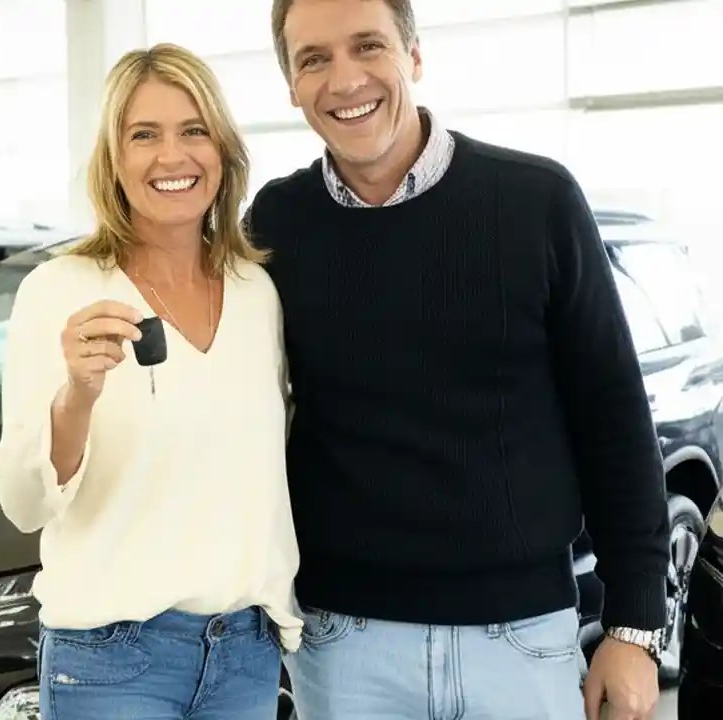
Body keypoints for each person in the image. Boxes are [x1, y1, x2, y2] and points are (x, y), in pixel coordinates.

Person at [243, 1, 672, 719]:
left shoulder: (537, 202)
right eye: (313, 58)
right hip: (344, 646)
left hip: (521, 639)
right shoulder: (278, 223)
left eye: (367, 46)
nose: (344, 79)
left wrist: (633, 625)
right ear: (290, 83)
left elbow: (615, 422)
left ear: (414, 56)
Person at [0, 43, 302, 719]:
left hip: (246, 652)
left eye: (194, 131)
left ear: (223, 150)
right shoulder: (59, 289)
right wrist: (77, 392)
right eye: (144, 135)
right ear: (113, 160)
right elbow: (23, 504)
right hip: (112, 660)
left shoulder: (257, 292)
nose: (173, 157)